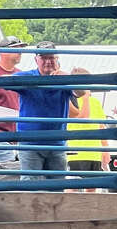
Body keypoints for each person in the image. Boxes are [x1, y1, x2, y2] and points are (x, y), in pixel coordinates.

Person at [12, 41, 78, 178]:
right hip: (30, 143)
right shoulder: (27, 77)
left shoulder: (63, 78)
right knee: (30, 188)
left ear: (57, 59)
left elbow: (81, 92)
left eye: (51, 57)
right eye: (43, 57)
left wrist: (69, 79)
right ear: (36, 59)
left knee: (57, 189)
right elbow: (4, 82)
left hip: (57, 143)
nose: (48, 61)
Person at [66, 67, 110, 190]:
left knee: (92, 188)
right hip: (75, 154)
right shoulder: (70, 101)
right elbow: (83, 117)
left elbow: (100, 126)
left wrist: (105, 149)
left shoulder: (95, 102)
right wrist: (85, 97)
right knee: (72, 187)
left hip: (94, 153)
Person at [0, 35, 25, 181]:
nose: (20, 52)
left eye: (21, 49)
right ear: (2, 52)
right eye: (15, 49)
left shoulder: (21, 75)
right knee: (10, 175)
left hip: (14, 138)